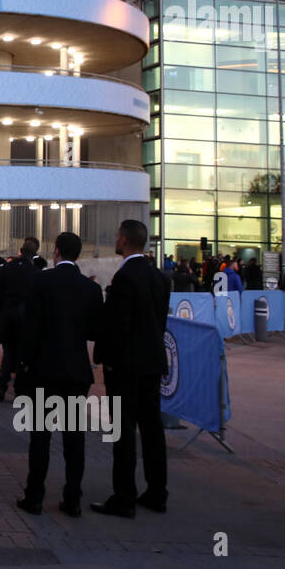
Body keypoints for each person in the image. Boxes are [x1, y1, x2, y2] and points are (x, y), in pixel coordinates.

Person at [17, 232, 103, 517]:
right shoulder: (90, 289)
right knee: (74, 439)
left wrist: (25, 364)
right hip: (76, 372)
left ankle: (35, 496)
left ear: (55, 251)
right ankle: (72, 498)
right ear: (78, 255)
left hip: (44, 369)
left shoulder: (41, 281)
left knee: (40, 436)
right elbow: (94, 332)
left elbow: (30, 328)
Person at [91, 219, 170, 518]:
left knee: (123, 431)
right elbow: (158, 323)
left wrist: (105, 359)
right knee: (152, 429)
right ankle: (157, 491)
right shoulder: (160, 277)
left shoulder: (125, 277)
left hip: (126, 366)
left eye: (116, 236)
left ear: (124, 240)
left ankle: (124, 495)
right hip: (151, 363)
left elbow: (117, 325)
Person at [0, 238, 40, 401]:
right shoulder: (35, 273)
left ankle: (1, 387)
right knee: (22, 353)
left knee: (8, 352)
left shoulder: (7, 267)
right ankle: (19, 389)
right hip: (24, 318)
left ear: (21, 250)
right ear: (35, 254)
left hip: (7, 315)